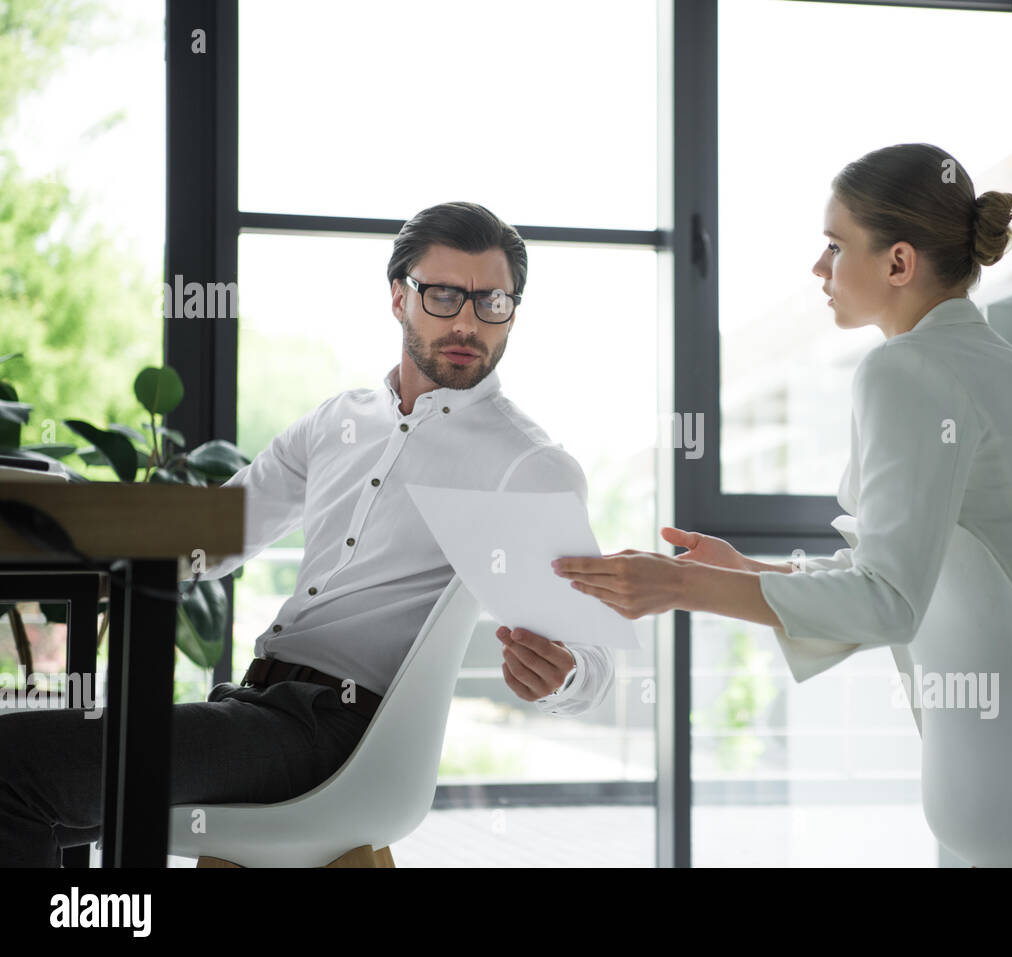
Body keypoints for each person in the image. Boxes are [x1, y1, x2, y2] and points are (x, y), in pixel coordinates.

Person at [552, 143, 1012, 831]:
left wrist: (677, 587)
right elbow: (895, 573)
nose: (817, 268)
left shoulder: (904, 370)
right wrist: (751, 570)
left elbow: (886, 601)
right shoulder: (999, 364)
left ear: (899, 262)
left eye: (833, 245)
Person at [0, 201, 614, 867]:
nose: (468, 320)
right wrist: (66, 538)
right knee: (38, 789)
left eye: (491, 301)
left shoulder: (527, 462)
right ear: (397, 298)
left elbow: (597, 660)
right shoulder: (337, 422)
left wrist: (565, 673)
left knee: (14, 766)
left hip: (335, 737)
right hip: (254, 709)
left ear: (512, 311)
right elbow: (217, 534)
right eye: (443, 295)